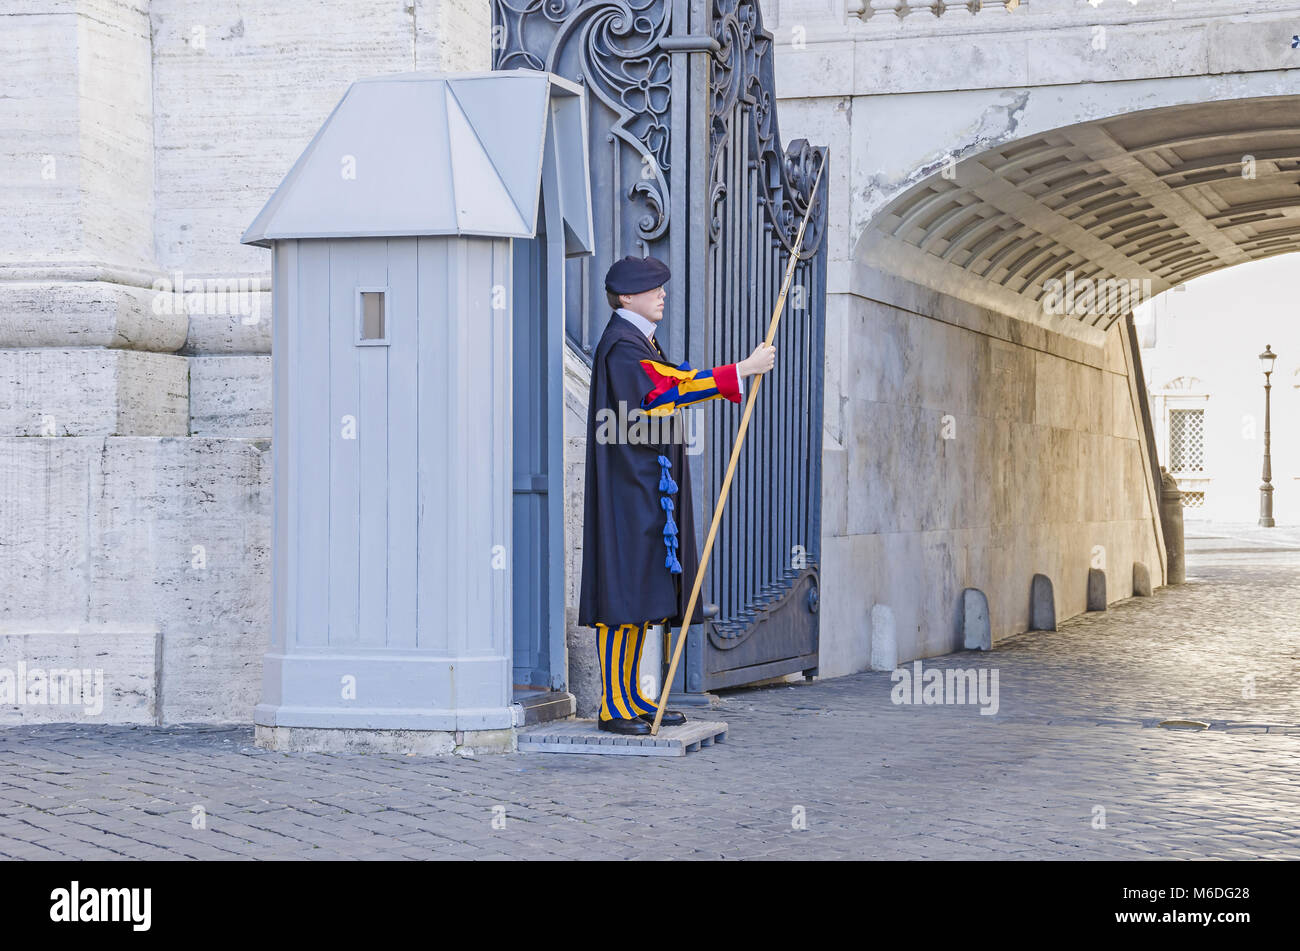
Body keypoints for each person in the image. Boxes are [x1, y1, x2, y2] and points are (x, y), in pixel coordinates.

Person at [578, 254, 776, 735]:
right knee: (622, 596)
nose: (663, 294)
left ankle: (634, 697)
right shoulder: (622, 346)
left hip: (647, 483)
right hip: (628, 487)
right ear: (628, 297)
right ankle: (615, 705)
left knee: (642, 593)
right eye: (653, 287)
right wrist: (740, 370)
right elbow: (667, 392)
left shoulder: (638, 339)